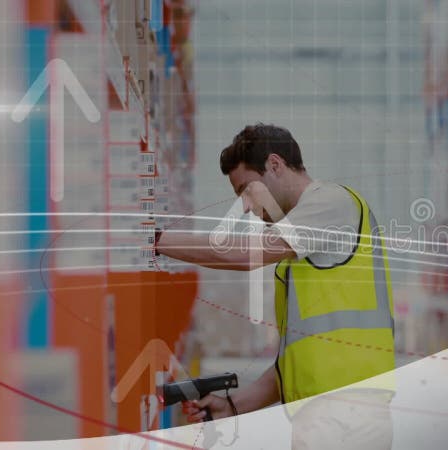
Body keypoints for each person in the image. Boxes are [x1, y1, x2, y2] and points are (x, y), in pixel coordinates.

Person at [156, 123, 396, 449]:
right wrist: (233, 405)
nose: (244, 206)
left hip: (345, 413)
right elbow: (292, 363)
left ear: (275, 165)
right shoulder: (297, 255)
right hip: (332, 413)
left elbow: (244, 254)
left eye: (246, 190)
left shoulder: (331, 203)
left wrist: (155, 240)